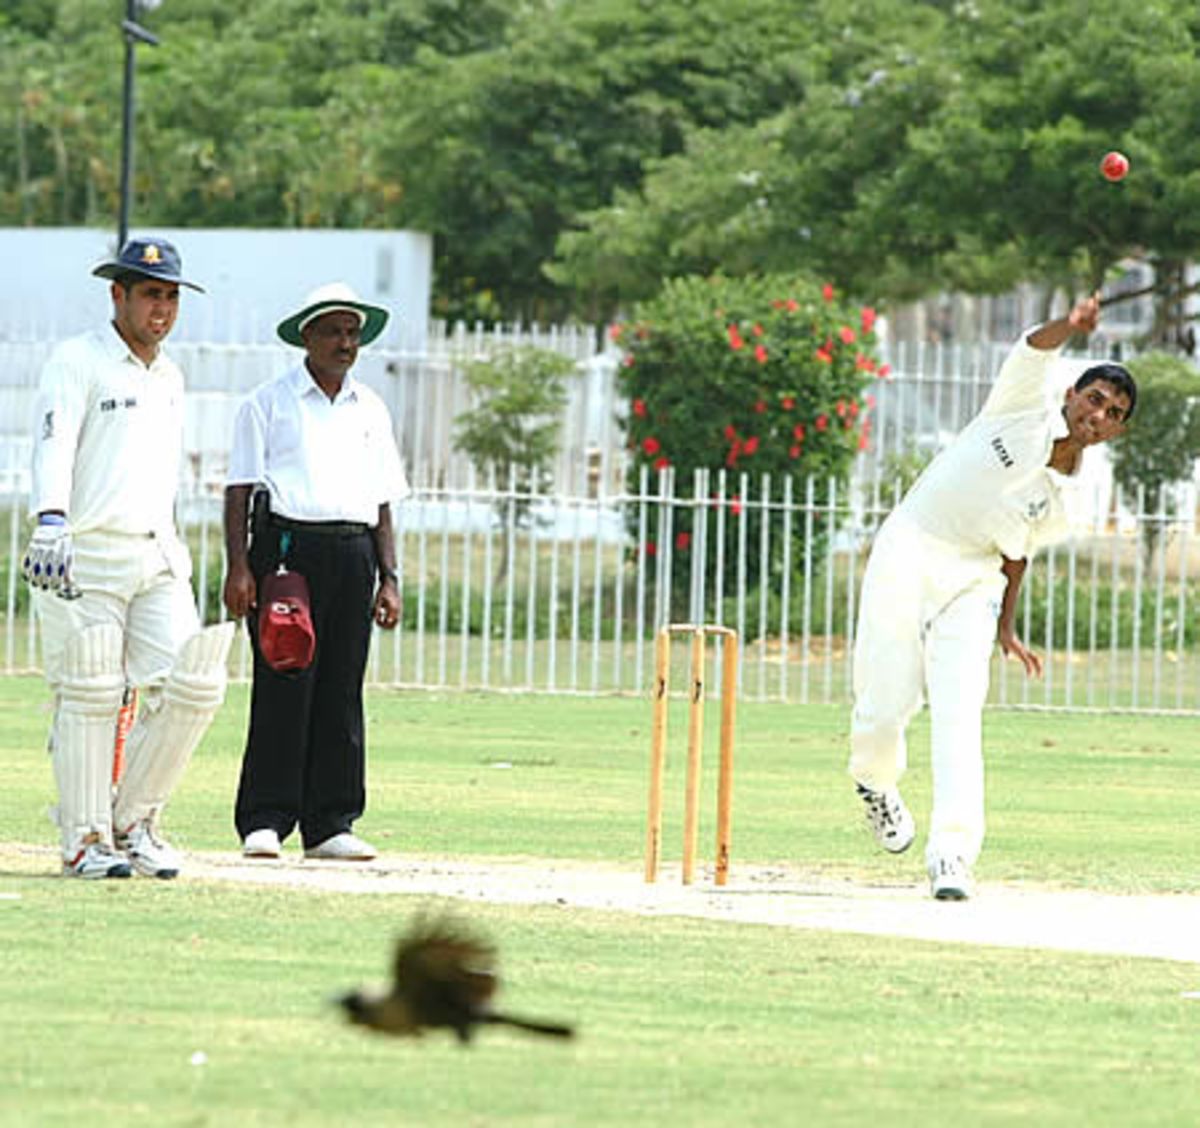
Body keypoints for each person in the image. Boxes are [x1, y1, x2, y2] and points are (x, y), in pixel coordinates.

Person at [849, 293, 1136, 901]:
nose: (1099, 414)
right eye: (1094, 398)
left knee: (959, 709)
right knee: (885, 703)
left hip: (976, 578)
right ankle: (875, 782)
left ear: (1117, 429)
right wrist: (1071, 324)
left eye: (1113, 412)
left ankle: (952, 855)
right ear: (1071, 395)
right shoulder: (1020, 406)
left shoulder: (1071, 501)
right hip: (912, 544)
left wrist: (1006, 627)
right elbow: (1035, 346)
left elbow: (1016, 552)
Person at [24, 236, 235, 879]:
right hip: (83, 551)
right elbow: (54, 440)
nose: (161, 308)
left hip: (155, 551)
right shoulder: (78, 359)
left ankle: (133, 822)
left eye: (170, 296)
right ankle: (85, 839)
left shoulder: (170, 374)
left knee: (194, 683)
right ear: (118, 294)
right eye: (149, 294)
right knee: (91, 690)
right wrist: (50, 518)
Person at [222, 281, 408, 861]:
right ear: (307, 337)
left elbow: (383, 499)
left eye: (353, 333)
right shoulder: (268, 403)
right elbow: (238, 490)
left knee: (341, 689)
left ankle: (330, 823)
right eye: (333, 332)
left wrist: (389, 577)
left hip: (353, 553)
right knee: (284, 682)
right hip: (287, 554)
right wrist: (238, 568)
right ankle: (265, 819)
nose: (345, 343)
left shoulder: (371, 408)